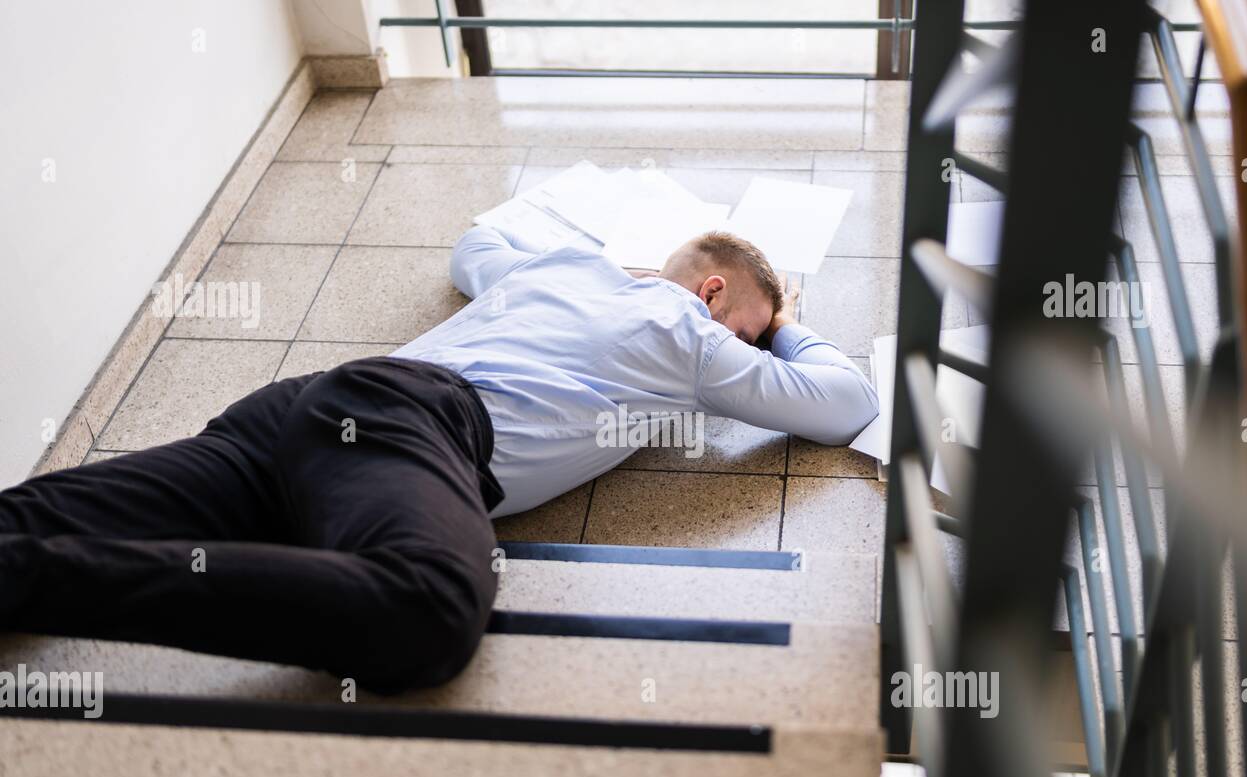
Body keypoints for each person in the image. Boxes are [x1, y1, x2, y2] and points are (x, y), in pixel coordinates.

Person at [0, 226, 877, 692]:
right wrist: (789, 319)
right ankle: (41, 579)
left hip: (302, 411)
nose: (754, 355)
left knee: (36, 509)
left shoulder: (565, 270)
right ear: (713, 291)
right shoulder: (686, 329)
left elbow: (473, 247)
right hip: (409, 426)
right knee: (425, 611)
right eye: (752, 333)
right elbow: (844, 404)